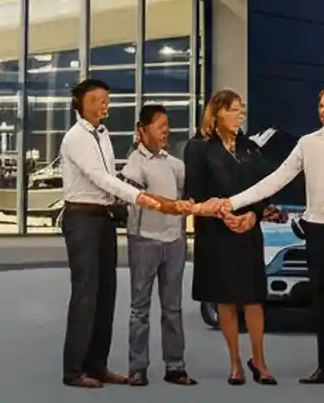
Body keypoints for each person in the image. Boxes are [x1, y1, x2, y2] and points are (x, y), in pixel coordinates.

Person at [206, 84, 324, 387]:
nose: (323, 110)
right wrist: (232, 202)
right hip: (317, 231)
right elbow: (276, 179)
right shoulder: (308, 144)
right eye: (321, 105)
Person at [59, 78, 195, 389]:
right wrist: (140, 197)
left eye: (105, 100)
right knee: (85, 294)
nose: (103, 105)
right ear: (80, 104)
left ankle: (97, 365)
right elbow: (100, 178)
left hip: (103, 218)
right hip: (82, 218)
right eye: (96, 100)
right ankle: (74, 370)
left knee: (106, 294)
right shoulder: (76, 137)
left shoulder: (103, 134)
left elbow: (109, 177)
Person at [185, 89, 285, 386]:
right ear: (217, 113)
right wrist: (223, 214)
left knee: (253, 299)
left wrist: (254, 214)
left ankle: (260, 361)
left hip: (248, 230)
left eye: (242, 109)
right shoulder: (198, 148)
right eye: (234, 109)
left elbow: (264, 188)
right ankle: (235, 364)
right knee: (226, 299)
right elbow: (195, 192)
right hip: (215, 233)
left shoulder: (250, 147)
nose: (240, 115)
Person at [119, 104, 197, 387]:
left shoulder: (175, 164)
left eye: (167, 125)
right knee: (139, 308)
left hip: (174, 240)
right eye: (160, 125)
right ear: (142, 130)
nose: (166, 130)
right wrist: (173, 206)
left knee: (173, 308)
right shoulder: (134, 163)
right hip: (144, 240)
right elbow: (139, 195)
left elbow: (185, 196)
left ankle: (175, 367)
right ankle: (137, 368)